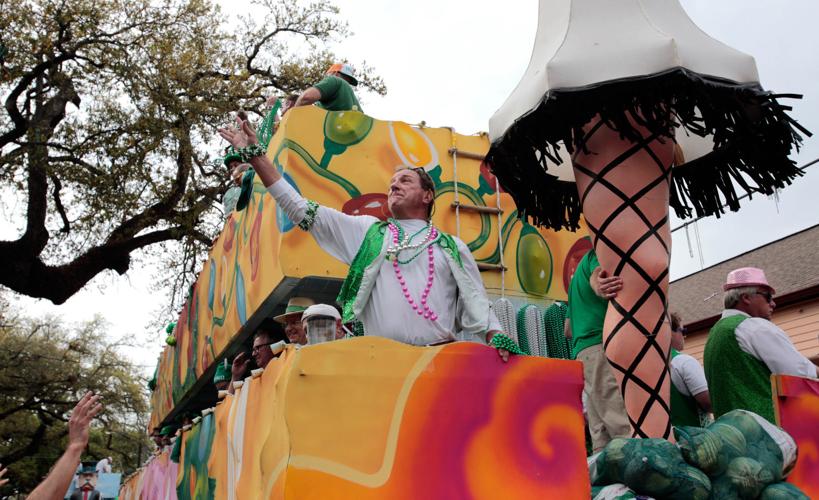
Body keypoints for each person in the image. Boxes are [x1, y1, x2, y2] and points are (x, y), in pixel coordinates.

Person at [218, 118, 508, 357]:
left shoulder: (452, 247)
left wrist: (498, 337)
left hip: (440, 365)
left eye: (405, 181)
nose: (394, 187)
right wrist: (257, 158)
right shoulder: (369, 233)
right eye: (391, 184)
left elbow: (478, 303)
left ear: (428, 195)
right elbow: (299, 208)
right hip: (379, 366)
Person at [704, 267, 819, 424]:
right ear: (746, 298)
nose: (773, 303)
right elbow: (801, 374)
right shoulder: (754, 327)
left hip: (732, 438)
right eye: (768, 297)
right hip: (769, 436)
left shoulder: (715, 335)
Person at [567, 248, 629, 453]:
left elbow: (567, 329)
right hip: (599, 346)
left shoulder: (574, 283)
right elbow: (598, 276)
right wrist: (600, 286)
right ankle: (641, 478)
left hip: (581, 354)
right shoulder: (597, 254)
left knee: (600, 435)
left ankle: (608, 482)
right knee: (621, 425)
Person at [26, 393, 103, 500]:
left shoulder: (96, 494)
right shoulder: (75, 494)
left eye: (91, 476)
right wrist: (75, 447)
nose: (88, 479)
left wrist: (75, 446)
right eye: (85, 476)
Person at [668, 312, 711, 427]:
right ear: (670, 332)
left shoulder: (648, 365)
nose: (684, 336)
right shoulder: (683, 361)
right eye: (683, 331)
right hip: (696, 438)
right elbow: (708, 403)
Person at [229, 319, 284, 393]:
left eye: (258, 348)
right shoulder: (254, 381)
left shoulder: (285, 366)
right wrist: (235, 376)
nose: (253, 354)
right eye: (253, 350)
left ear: (273, 345)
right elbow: (232, 403)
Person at [294, 63, 362, 112]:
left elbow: (306, 97)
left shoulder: (334, 80)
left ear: (335, 73)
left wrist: (293, 115)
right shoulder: (355, 103)